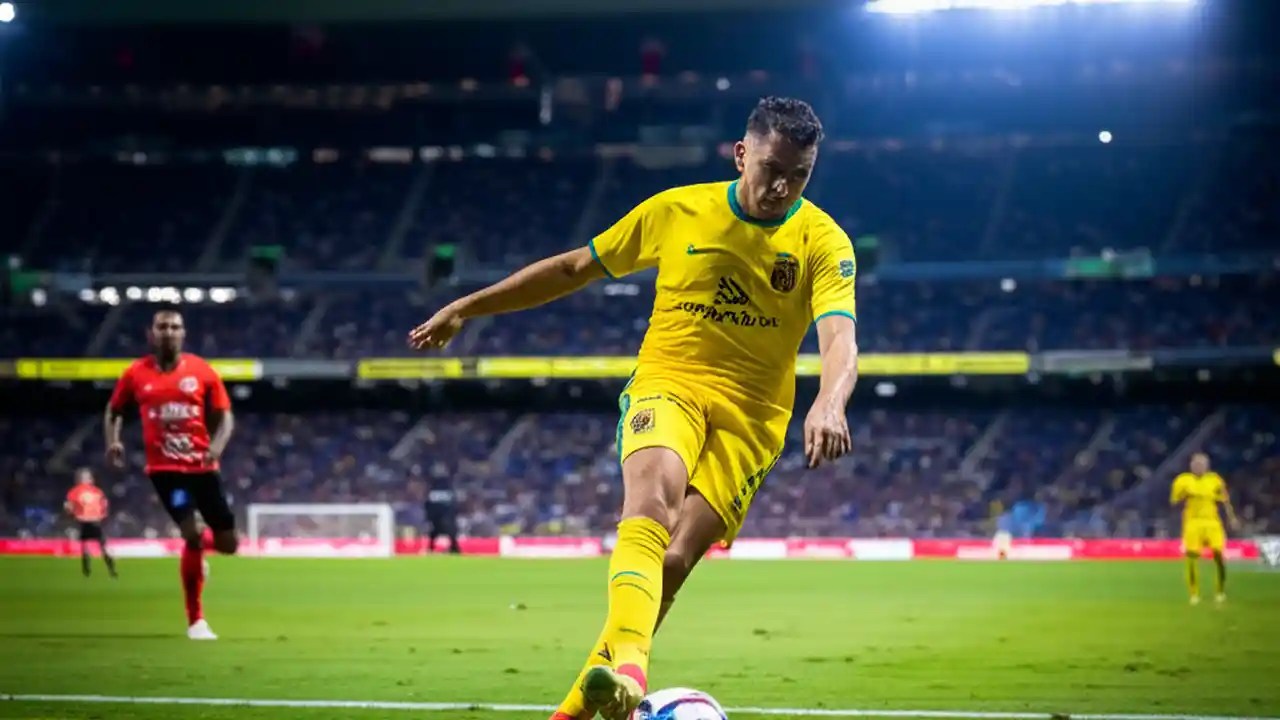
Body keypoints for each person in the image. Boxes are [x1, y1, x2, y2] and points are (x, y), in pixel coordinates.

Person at [410, 97, 858, 720]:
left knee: (670, 567)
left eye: (800, 174)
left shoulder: (823, 240)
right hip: (668, 382)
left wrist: (830, 402)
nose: (782, 186)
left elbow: (839, 336)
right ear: (740, 154)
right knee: (650, 505)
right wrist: (468, 306)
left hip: (754, 418)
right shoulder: (675, 211)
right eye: (771, 166)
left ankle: (575, 710)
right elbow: (571, 269)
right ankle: (629, 674)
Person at [105, 308, 237, 640]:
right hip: (166, 473)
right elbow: (115, 409)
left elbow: (225, 416)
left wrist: (217, 446)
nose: (168, 331)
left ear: (183, 333)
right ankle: (196, 621)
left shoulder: (201, 371)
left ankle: (200, 555)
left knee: (229, 544)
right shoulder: (136, 374)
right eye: (162, 326)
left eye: (174, 326)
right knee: (191, 532)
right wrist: (114, 440)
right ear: (151, 333)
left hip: (203, 469)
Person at [1170, 452, 1238, 605]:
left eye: (1201, 464)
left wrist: (1232, 518)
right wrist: (1184, 495)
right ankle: (1194, 594)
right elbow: (1174, 502)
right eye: (1195, 464)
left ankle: (1220, 591)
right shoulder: (1183, 480)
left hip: (1212, 522)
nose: (1198, 466)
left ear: (1207, 466)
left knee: (1218, 554)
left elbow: (1225, 501)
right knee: (1192, 557)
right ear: (1191, 465)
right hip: (1192, 522)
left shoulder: (1215, 480)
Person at [64, 467, 118, 578]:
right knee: (87, 547)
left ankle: (109, 569)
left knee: (100, 547)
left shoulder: (96, 491)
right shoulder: (76, 492)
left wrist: (100, 516)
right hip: (86, 521)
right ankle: (88, 571)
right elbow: (70, 507)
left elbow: (103, 506)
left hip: (92, 521)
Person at [425, 482, 462, 554]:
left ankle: (453, 548)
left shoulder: (435, 492)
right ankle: (431, 548)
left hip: (443, 519)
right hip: (441, 519)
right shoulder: (446, 491)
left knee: (437, 533)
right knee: (435, 533)